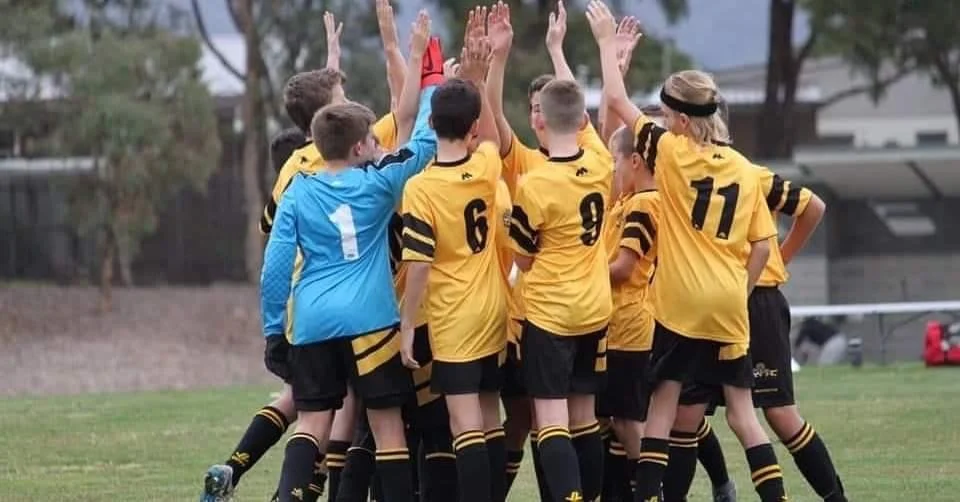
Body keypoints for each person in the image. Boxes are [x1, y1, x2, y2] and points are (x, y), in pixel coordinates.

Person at [589, 2, 792, 501]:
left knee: (661, 409)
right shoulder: (743, 167)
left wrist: (606, 44)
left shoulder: (671, 153)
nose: (661, 120)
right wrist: (738, 290)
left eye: (664, 113)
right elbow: (761, 248)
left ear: (680, 119)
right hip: (729, 304)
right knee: (744, 418)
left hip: (681, 307)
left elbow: (615, 99)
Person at [260, 12, 437, 502]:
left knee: (313, 422)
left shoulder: (297, 190)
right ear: (361, 147)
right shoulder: (378, 182)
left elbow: (275, 267)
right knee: (387, 427)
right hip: (371, 321)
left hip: (313, 321)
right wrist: (430, 79)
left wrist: (274, 330)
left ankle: (288, 497)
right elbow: (423, 142)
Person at [399, 36, 507, 502]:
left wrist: (407, 325)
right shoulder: (485, 166)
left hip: (454, 320)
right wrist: (477, 82)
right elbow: (494, 141)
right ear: (473, 128)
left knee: (464, 424)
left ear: (429, 123)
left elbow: (419, 264)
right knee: (490, 416)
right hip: (493, 311)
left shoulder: (421, 188)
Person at [508, 76, 614, 501]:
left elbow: (523, 259)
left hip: (551, 314)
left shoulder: (534, 184)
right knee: (585, 417)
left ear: (541, 122)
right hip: (595, 309)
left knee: (551, 420)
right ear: (583, 119)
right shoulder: (603, 165)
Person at [594, 125, 659, 501]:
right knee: (611, 419)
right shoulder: (628, 201)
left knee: (630, 423)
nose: (612, 169)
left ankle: (653, 492)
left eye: (615, 160)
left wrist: (580, 275)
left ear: (634, 161)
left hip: (630, 326)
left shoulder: (644, 205)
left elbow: (623, 269)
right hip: (616, 325)